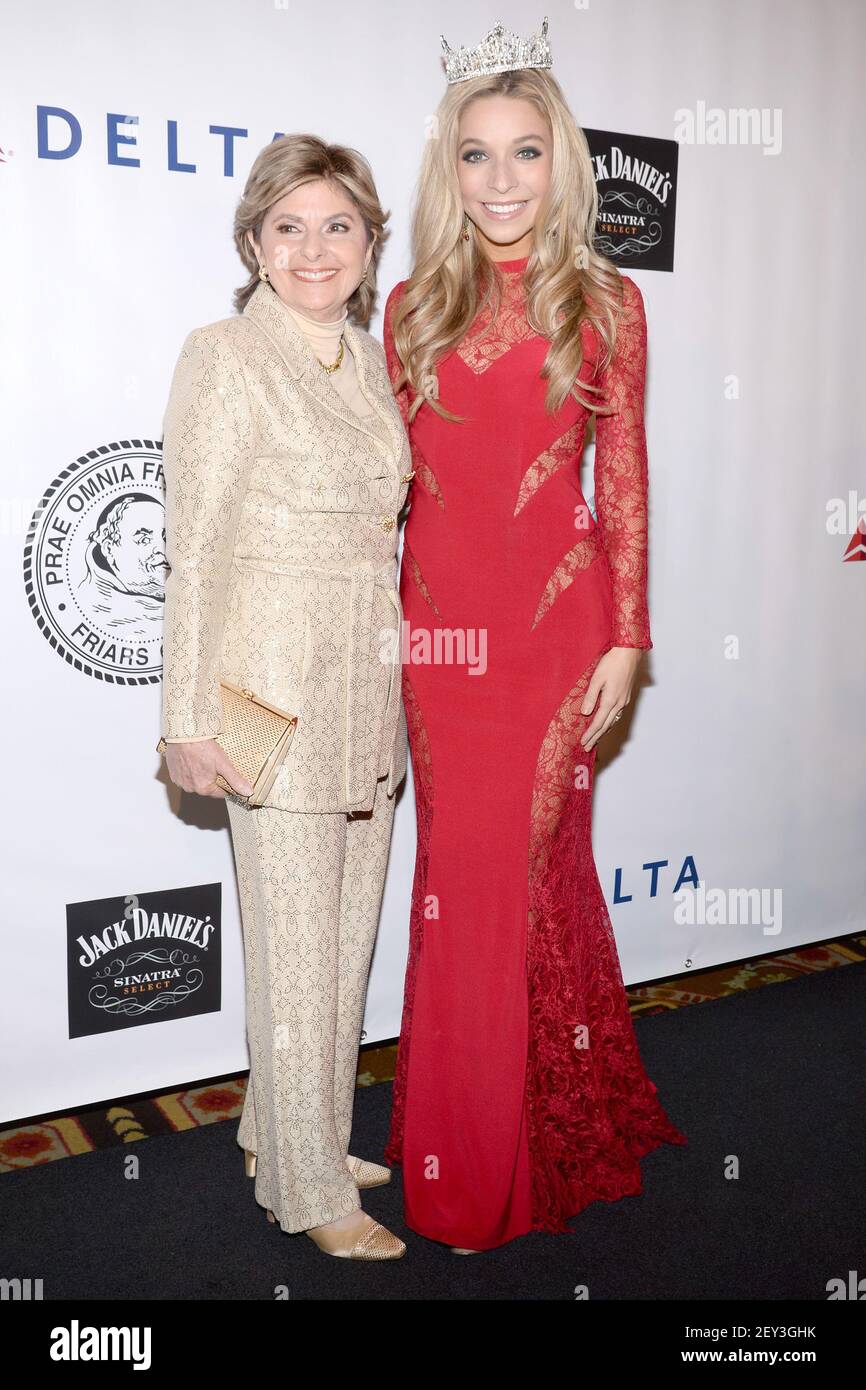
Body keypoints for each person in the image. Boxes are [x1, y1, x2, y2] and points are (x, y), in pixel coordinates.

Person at [381, 18, 688, 1253]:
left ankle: (488, 1174)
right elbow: (383, 489)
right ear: (445, 170)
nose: (500, 181)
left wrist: (628, 637)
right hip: (435, 648)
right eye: (474, 156)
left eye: (523, 153)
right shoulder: (404, 305)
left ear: (560, 164)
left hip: (557, 643)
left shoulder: (605, 302)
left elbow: (623, 479)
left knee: (514, 886)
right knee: (465, 891)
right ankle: (489, 1141)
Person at [157, 133, 414, 1260]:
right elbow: (195, 548)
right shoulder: (221, 355)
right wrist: (185, 718)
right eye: (288, 226)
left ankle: (287, 1125)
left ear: (369, 242)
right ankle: (309, 1189)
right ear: (253, 243)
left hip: (370, 681)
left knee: (343, 939)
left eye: (338, 226)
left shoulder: (366, 360)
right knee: (295, 946)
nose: (314, 249)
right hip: (270, 694)